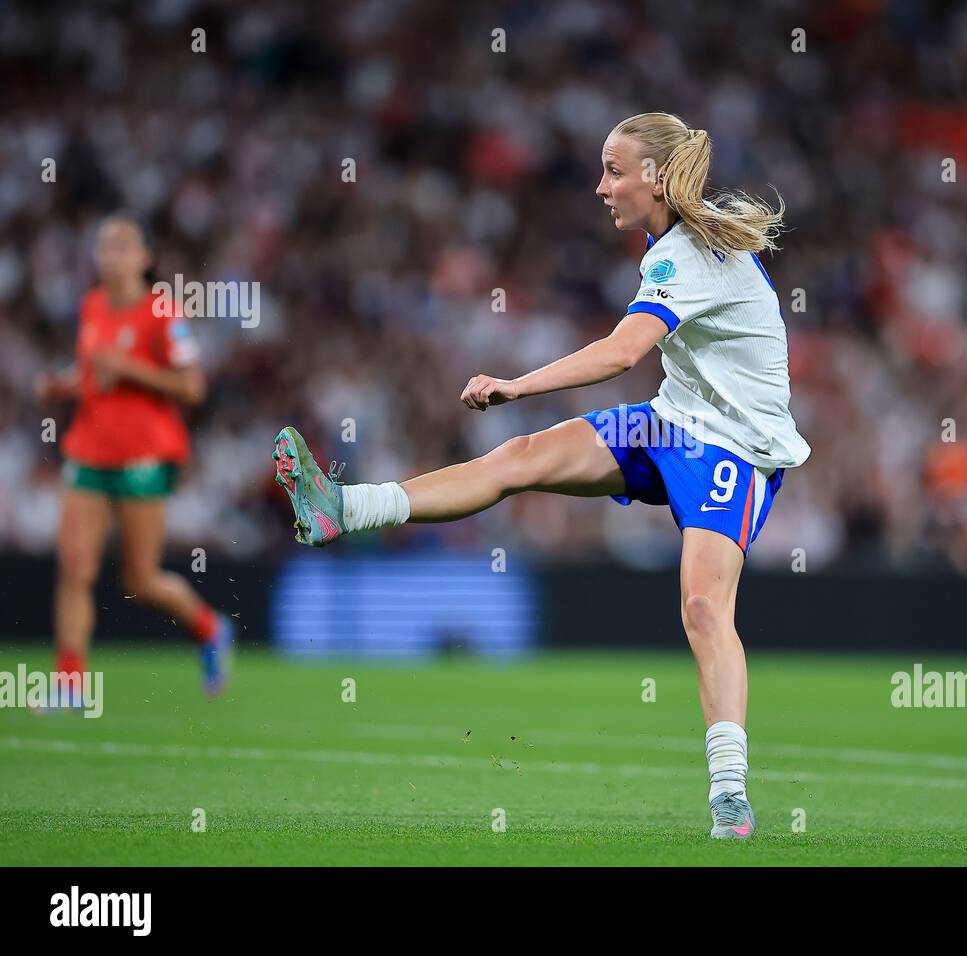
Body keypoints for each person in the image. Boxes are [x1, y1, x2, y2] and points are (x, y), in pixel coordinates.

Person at [272, 112, 809, 838]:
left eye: (614, 170)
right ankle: (343, 505)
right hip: (670, 425)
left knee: (705, 609)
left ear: (655, 178)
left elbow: (622, 353)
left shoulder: (687, 255)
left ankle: (729, 794)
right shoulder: (671, 244)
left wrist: (516, 385)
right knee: (518, 461)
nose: (600, 186)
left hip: (737, 451)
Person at [35, 212, 234, 705]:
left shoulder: (163, 313)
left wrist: (130, 367)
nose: (111, 254)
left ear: (145, 257)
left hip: (144, 455)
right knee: (75, 566)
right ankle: (71, 684)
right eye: (104, 245)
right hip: (88, 449)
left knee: (139, 579)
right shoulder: (93, 307)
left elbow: (192, 386)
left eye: (123, 245)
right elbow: (93, 372)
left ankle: (210, 629)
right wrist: (65, 383)